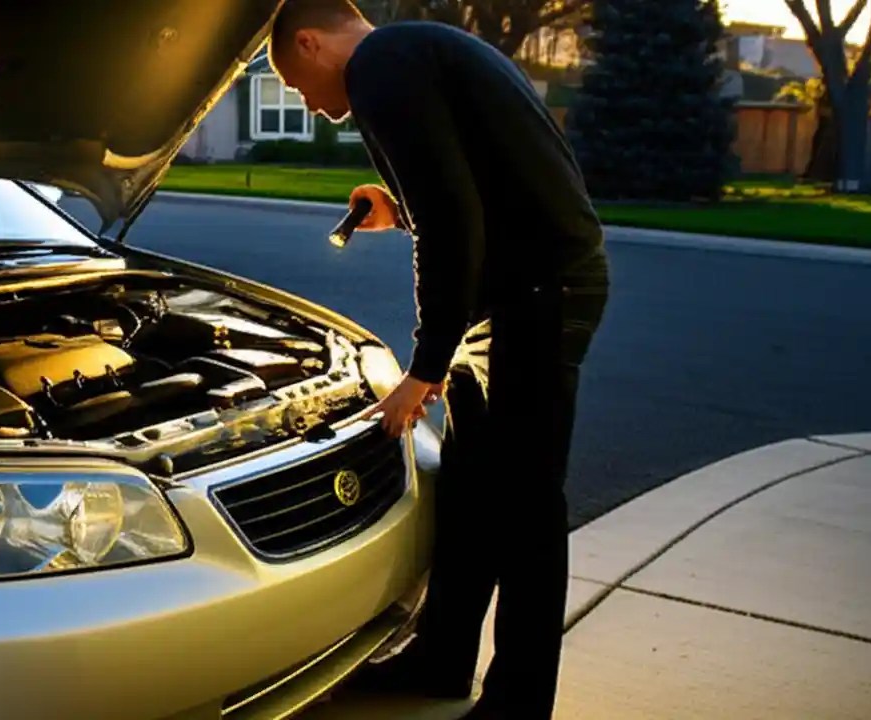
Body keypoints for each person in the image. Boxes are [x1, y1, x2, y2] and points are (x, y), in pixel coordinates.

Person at [266, 2, 611, 718]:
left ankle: (518, 703)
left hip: (539, 298)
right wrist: (399, 208)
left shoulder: (382, 65)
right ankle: (441, 657)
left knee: (525, 512)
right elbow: (466, 190)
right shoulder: (414, 55)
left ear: (310, 41)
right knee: (473, 494)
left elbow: (453, 222)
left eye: (298, 86)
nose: (312, 106)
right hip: (512, 297)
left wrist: (423, 369)